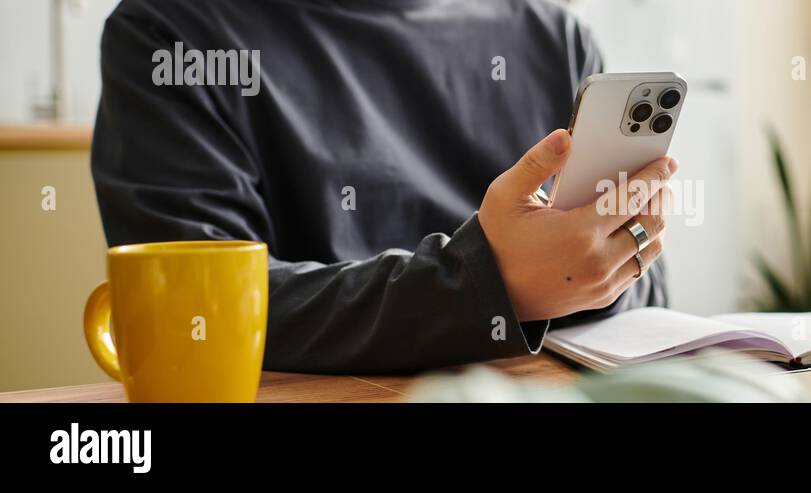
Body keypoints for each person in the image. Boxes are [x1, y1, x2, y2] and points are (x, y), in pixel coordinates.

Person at [90, 0, 673, 373]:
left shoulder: (553, 37)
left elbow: (646, 300)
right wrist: (483, 284)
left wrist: (604, 263)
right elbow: (193, 307)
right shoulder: (170, 35)